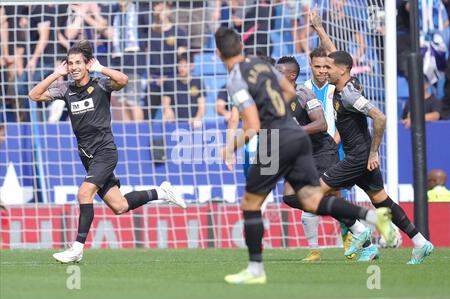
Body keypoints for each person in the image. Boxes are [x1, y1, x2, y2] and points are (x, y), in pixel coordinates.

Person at [216, 27, 394, 284]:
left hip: (276, 141)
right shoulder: (261, 67)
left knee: (251, 204)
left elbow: (253, 124)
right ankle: (372, 217)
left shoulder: (235, 79)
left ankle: (255, 269)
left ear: (220, 54)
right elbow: (288, 93)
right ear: (241, 49)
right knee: (310, 200)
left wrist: (230, 147)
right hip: (297, 139)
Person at [28, 40, 187, 263]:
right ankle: (162, 193)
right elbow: (34, 95)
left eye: (78, 63)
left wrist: (100, 68)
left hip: (105, 152)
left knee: (84, 193)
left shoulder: (101, 84)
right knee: (119, 206)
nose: (74, 67)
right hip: (87, 156)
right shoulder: (66, 89)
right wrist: (56, 74)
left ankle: (77, 248)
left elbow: (123, 80)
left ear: (86, 65)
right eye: (70, 63)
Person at [311, 12, 434, 264]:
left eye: (330, 67)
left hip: (359, 156)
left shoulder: (349, 95)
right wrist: (320, 29)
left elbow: (380, 117)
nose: (326, 70)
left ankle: (359, 232)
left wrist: (374, 152)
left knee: (315, 194)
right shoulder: (347, 81)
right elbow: (335, 52)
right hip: (362, 155)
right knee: (381, 200)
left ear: (342, 70)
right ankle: (421, 242)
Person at [275, 56, 360, 261]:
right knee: (290, 196)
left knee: (325, 198)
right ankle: (355, 232)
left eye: (278, 72)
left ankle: (355, 236)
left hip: (322, 151)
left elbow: (321, 124)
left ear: (291, 75)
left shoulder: (303, 93)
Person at [162, 53, 206, 128]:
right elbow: (166, 103)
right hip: (174, 123)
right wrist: (167, 110)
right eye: (180, 65)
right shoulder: (170, 81)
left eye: (185, 66)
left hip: (192, 124)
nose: (181, 68)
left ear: (192, 66)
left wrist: (197, 118)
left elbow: (202, 107)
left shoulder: (198, 82)